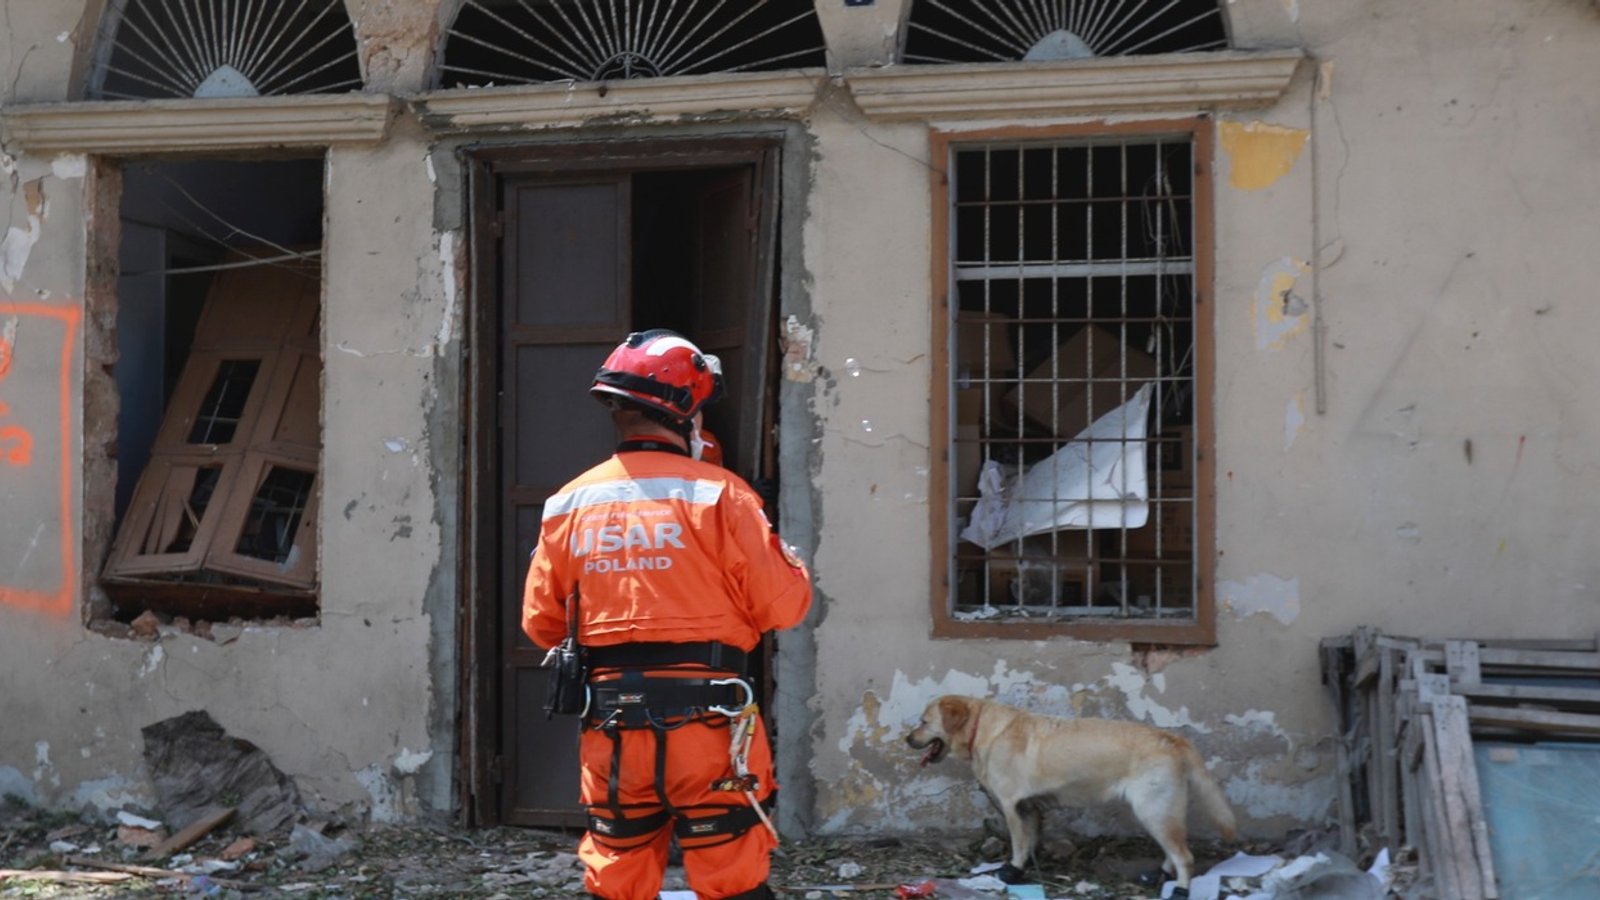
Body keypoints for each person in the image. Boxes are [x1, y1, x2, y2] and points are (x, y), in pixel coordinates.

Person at [522, 329, 813, 900]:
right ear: (686, 412)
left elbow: (541, 625)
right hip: (710, 733)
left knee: (617, 876)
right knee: (732, 876)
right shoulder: (724, 497)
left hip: (612, 733)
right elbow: (785, 608)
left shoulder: (569, 502)